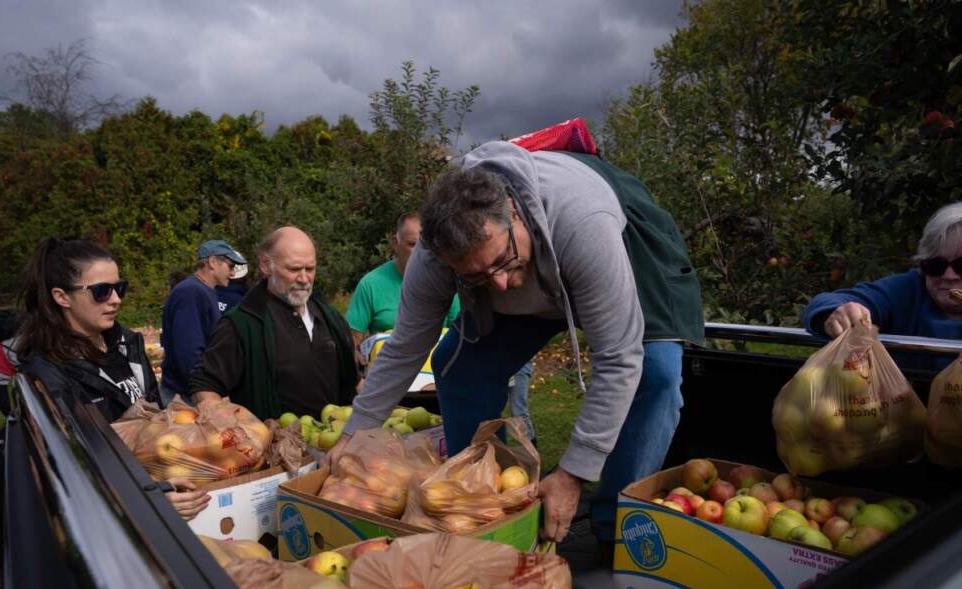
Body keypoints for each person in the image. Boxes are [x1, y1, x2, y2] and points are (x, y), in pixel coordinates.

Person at [330, 141, 704, 546]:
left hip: (624, 247)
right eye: (476, 276)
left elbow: (618, 359)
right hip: (538, 264)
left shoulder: (583, 223)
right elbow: (405, 345)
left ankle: (616, 527)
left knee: (656, 374)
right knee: (459, 369)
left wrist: (573, 474)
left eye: (500, 262)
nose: (501, 284)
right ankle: (487, 505)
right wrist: (355, 432)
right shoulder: (435, 255)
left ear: (512, 213)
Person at [16, 238, 210, 521]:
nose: (116, 299)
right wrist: (149, 500)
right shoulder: (46, 372)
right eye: (101, 291)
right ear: (62, 297)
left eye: (119, 288)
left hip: (160, 490)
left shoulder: (127, 344)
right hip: (116, 517)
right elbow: (69, 469)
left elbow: (154, 421)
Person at [189, 227, 358, 420]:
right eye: (294, 269)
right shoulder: (243, 324)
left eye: (310, 269)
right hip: (273, 447)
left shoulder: (330, 317)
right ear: (265, 265)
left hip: (333, 443)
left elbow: (352, 380)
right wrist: (231, 431)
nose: (304, 279)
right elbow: (204, 385)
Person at [802, 202, 962, 367]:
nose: (949, 276)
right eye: (936, 265)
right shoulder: (907, 290)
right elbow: (828, 302)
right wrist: (837, 313)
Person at [346, 212, 461, 357]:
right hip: (388, 369)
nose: (420, 252)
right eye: (412, 244)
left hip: (433, 370)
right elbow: (351, 341)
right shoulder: (370, 284)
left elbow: (459, 335)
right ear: (395, 243)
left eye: (426, 245)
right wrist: (355, 354)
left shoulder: (445, 283)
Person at [159, 240, 247, 405]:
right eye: (230, 266)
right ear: (212, 262)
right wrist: (203, 393)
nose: (233, 273)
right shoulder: (191, 292)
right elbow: (188, 351)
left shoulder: (205, 291)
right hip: (184, 397)